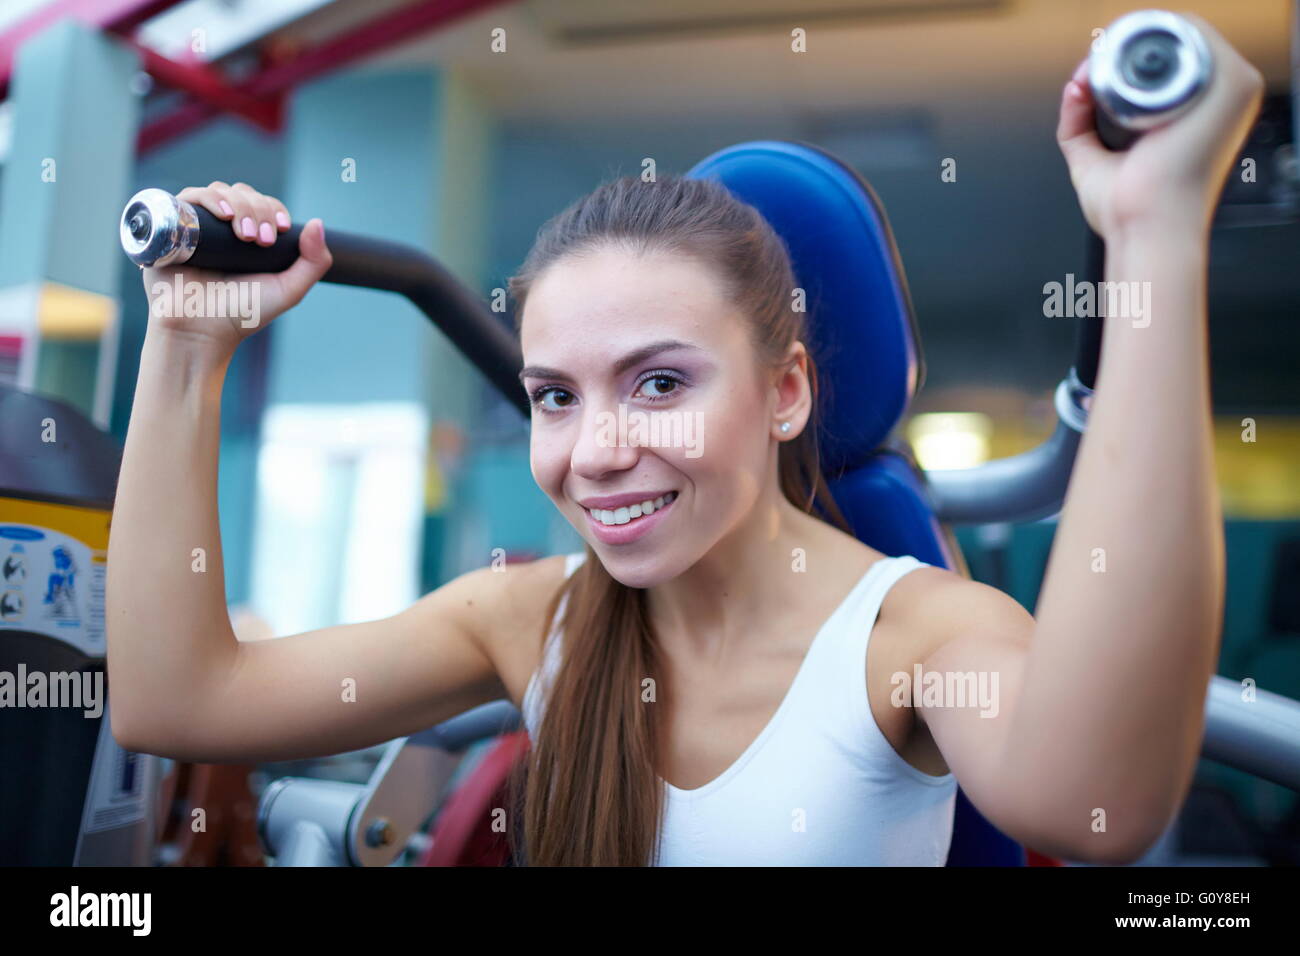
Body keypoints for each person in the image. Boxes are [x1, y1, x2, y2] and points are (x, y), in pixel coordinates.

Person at [106, 15, 1263, 866]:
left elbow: (1102, 803)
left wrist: (1153, 230)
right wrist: (185, 349)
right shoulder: (529, 616)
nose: (596, 449)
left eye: (658, 380)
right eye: (555, 395)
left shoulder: (918, 634)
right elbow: (179, 702)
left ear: (786, 392)